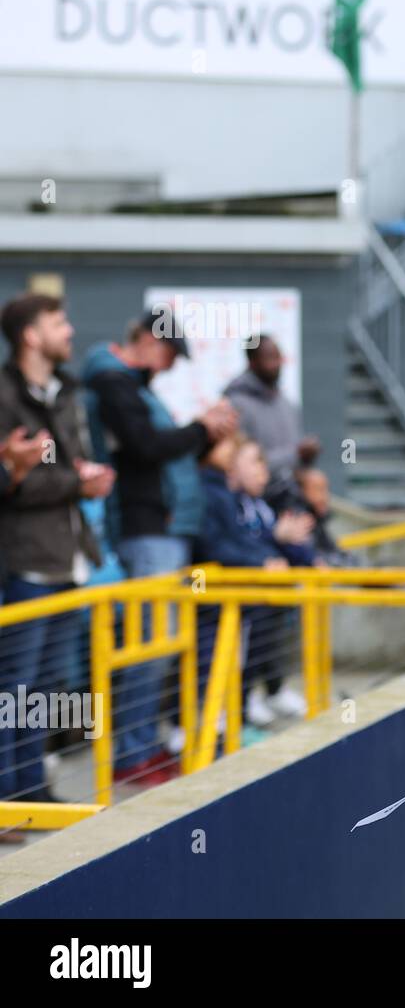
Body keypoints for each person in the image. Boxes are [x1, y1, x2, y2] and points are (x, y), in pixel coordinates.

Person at [82, 308, 238, 785]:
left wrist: (198, 432)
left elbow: (150, 446)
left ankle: (140, 746)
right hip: (146, 527)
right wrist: (201, 430)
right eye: (169, 353)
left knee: (159, 645)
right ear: (150, 341)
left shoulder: (128, 384)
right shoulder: (115, 382)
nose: (169, 365)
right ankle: (131, 754)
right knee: (150, 647)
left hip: (158, 527)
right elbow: (146, 447)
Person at [0, 293, 114, 802]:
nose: (69, 331)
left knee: (47, 688)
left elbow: (65, 467)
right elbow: (16, 483)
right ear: (30, 335)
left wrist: (87, 475)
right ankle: (7, 797)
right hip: (26, 562)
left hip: (70, 559)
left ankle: (34, 791)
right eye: (58, 322)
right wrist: (77, 482)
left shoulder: (67, 391)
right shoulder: (4, 394)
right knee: (14, 689)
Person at [196, 435, 315, 727]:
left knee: (260, 640)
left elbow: (268, 541)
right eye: (254, 462)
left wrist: (296, 549)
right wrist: (264, 558)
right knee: (221, 653)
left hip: (256, 595)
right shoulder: (217, 495)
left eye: (262, 462)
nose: (262, 470)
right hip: (222, 596)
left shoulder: (258, 504)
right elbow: (221, 545)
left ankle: (254, 699)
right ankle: (214, 715)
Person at [223, 336, 320, 495]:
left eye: (278, 357)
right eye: (269, 358)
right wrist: (295, 454)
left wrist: (306, 456)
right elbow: (239, 465)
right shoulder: (235, 405)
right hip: (255, 503)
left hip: (291, 498)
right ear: (252, 362)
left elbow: (297, 463)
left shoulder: (287, 404)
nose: (277, 364)